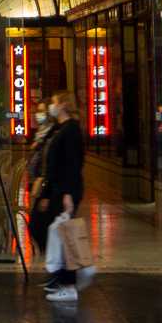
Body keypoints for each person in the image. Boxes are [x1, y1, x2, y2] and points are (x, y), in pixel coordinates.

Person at [37, 92, 93, 299]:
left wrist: (68, 194)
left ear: (62, 105)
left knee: (66, 236)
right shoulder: (61, 128)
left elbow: (72, 164)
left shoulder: (71, 131)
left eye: (53, 102)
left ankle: (69, 285)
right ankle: (61, 278)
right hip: (60, 189)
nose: (51, 106)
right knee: (60, 234)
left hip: (66, 191)